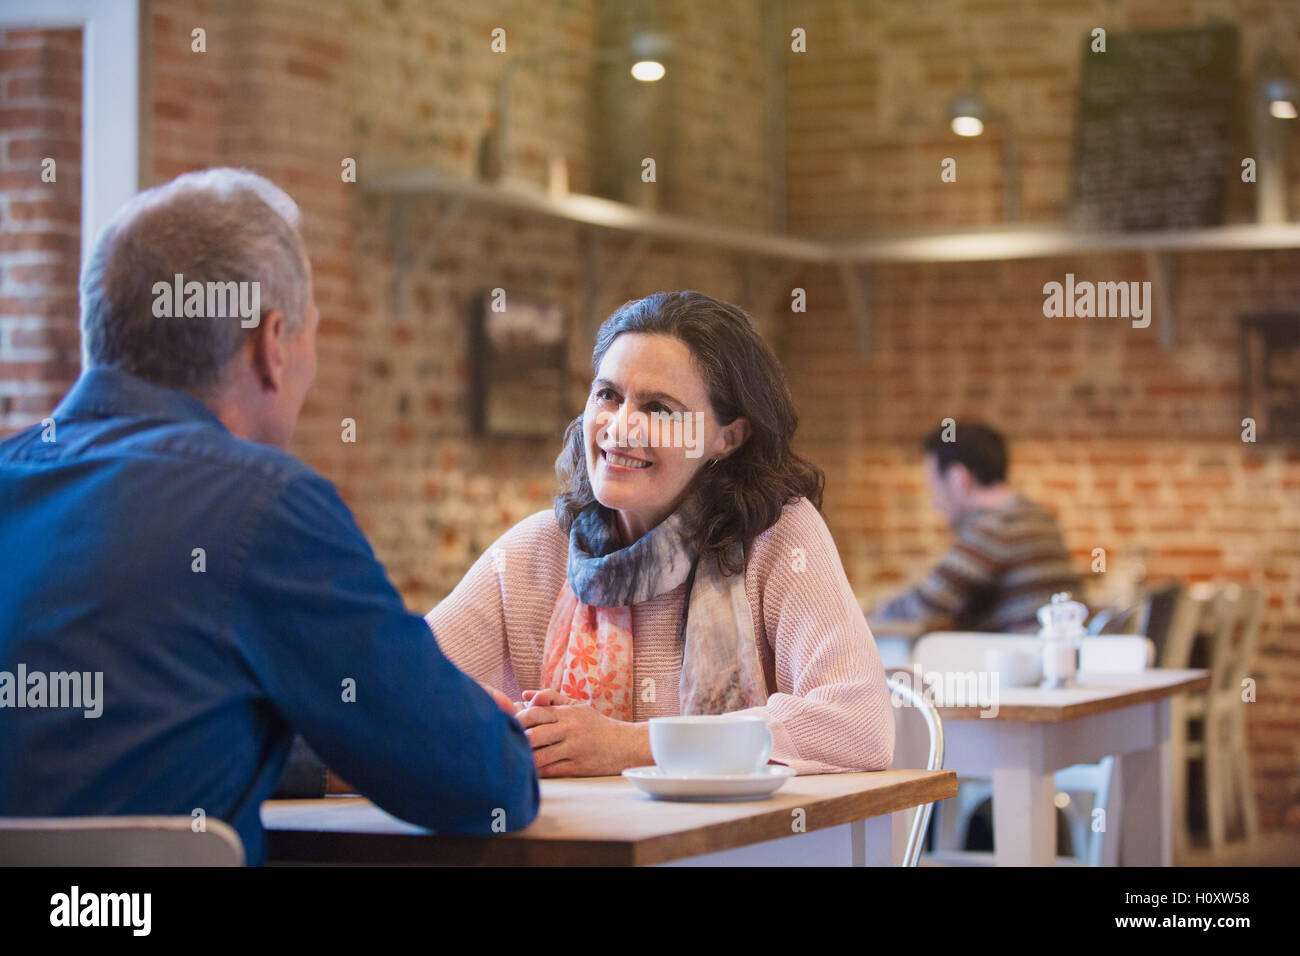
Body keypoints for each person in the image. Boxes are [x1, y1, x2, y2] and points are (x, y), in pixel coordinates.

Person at [0, 169, 538, 865]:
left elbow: (126, 730)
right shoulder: (265, 506)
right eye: (312, 335)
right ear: (272, 344)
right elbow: (484, 784)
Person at [425, 291, 895, 776]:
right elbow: (389, 691)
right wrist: (450, 715)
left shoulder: (778, 538)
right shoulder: (536, 549)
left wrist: (630, 746)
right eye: (608, 394)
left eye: (659, 409)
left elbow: (861, 726)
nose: (621, 427)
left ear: (727, 437)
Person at [870, 422, 1081, 633]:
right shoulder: (1036, 515)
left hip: (1025, 658)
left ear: (958, 478)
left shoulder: (996, 526)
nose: (935, 501)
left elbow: (926, 603)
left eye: (934, 487)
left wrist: (870, 614)